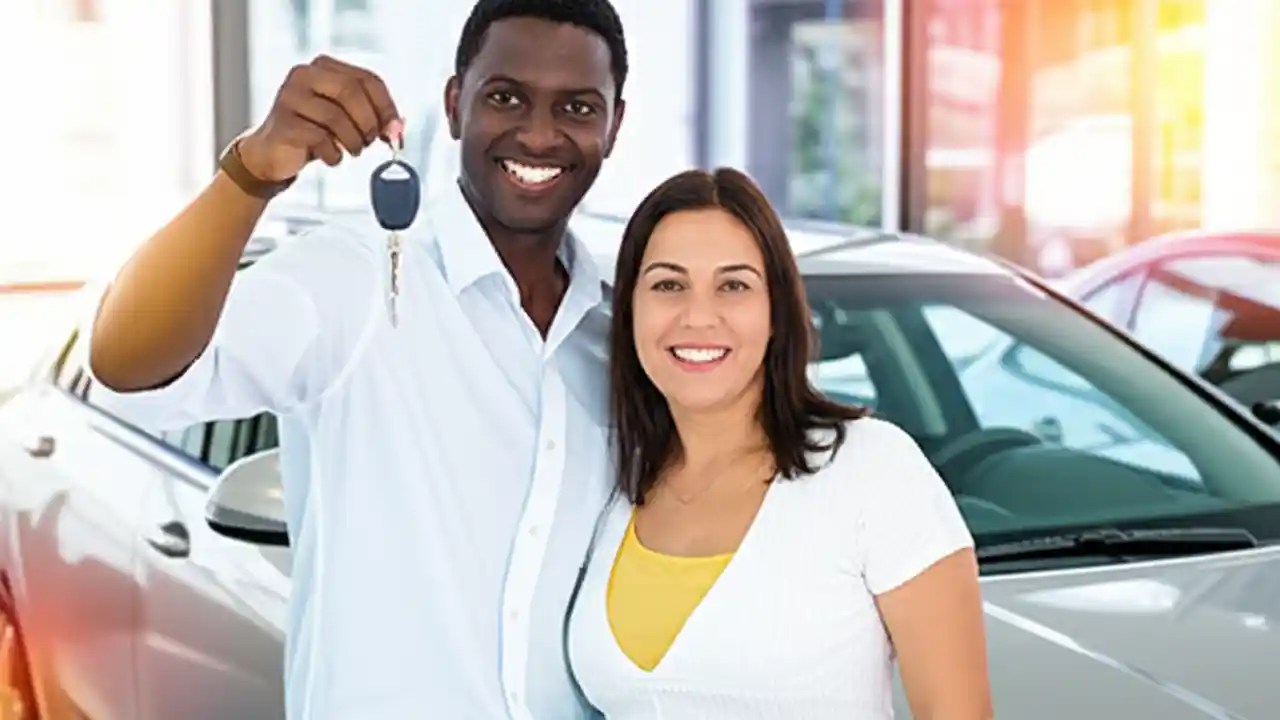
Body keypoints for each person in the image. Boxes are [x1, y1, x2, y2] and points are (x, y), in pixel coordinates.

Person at [87, 1, 628, 718]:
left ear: (614, 125)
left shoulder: (623, 336)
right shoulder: (351, 278)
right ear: (454, 104)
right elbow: (128, 364)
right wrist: (250, 174)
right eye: (505, 97)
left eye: (578, 106)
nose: (538, 131)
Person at [566, 168, 994, 719]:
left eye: (734, 285)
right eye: (668, 285)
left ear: (776, 314)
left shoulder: (872, 470)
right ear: (629, 311)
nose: (698, 316)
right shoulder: (615, 484)